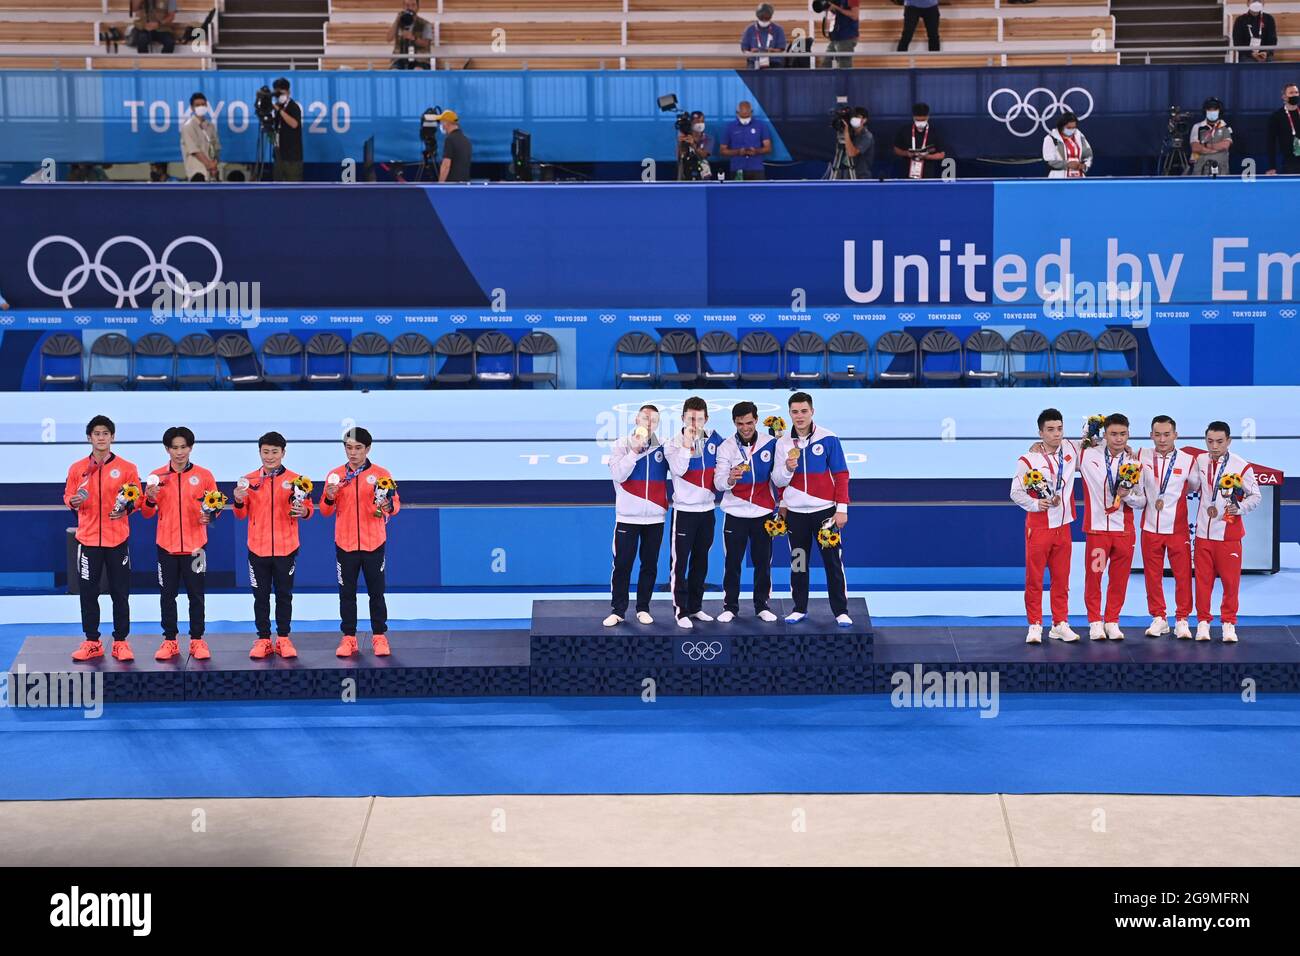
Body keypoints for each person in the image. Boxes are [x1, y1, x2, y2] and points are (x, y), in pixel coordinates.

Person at [65, 416, 142, 662]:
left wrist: (126, 508)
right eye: (96, 433)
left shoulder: (127, 468)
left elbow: (137, 499)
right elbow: (68, 495)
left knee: (120, 593)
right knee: (88, 592)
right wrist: (72, 502)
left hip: (117, 540)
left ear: (113, 437)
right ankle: (92, 641)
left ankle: (121, 642)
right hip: (87, 541)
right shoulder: (77, 468)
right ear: (89, 437)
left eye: (105, 433)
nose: (101, 437)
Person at [771, 392, 852, 626]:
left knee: (832, 563)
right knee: (799, 562)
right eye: (795, 412)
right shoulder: (783, 443)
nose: (799, 416)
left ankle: (840, 611)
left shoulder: (829, 438)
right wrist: (787, 468)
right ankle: (799, 607)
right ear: (790, 414)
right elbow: (777, 480)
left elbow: (841, 475)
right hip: (796, 515)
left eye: (804, 411)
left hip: (825, 513)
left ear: (812, 412)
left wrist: (842, 508)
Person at [138, 427, 219, 662]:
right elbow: (145, 513)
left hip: (196, 548)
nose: (179, 452)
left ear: (191, 448)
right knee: (167, 595)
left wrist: (210, 516)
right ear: (167, 449)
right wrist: (150, 498)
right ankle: (170, 641)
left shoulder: (204, 475)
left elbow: (215, 508)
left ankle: (197, 640)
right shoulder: (156, 477)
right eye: (175, 447)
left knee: (197, 594)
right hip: (166, 547)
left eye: (184, 447)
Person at [232, 432, 314, 660]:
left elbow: (308, 509)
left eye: (274, 452)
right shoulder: (247, 481)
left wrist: (305, 511)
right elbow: (240, 515)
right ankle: (264, 639)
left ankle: (284, 638)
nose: (270, 457)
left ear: (283, 453)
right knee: (260, 596)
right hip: (257, 549)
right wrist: (238, 500)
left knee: (284, 595)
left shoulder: (297, 481)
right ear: (259, 452)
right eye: (265, 452)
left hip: (286, 548)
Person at [320, 427, 400, 658]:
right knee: (347, 593)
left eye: (357, 448)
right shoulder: (335, 475)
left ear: (368, 449)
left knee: (377, 592)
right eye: (348, 448)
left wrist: (388, 507)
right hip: (345, 545)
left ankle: (379, 636)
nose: (352, 453)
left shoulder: (381, 473)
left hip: (373, 543)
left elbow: (395, 504)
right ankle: (349, 638)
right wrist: (329, 495)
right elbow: (325, 511)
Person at [1010, 408, 1081, 644]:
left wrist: (1129, 449)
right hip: (1039, 526)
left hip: (1064, 526)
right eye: (1050, 430)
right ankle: (1035, 624)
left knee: (1062, 579)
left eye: (1059, 429)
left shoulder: (1072, 449)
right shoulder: (1028, 459)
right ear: (1040, 432)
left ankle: (1060, 623)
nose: (1056, 434)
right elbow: (1015, 492)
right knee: (1035, 579)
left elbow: (1100, 449)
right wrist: (1034, 503)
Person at [1077, 413, 1145, 641]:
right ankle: (1095, 621)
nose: (1118, 439)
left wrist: (1127, 497)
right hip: (1097, 531)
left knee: (1119, 579)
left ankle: (1112, 621)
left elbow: (1142, 500)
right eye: (1113, 434)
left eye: (1123, 434)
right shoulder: (1087, 455)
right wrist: (1036, 445)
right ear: (1105, 434)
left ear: (1129, 434)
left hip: (1124, 532)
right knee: (1094, 577)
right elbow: (1062, 453)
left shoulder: (1134, 462)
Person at [1191, 421, 1261, 642]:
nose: (1214, 446)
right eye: (1210, 441)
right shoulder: (1200, 461)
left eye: (1219, 441)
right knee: (1203, 582)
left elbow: (1255, 496)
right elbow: (1191, 484)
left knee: (1231, 582)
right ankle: (1203, 622)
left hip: (1228, 534)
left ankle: (1229, 623)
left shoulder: (1241, 466)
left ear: (1229, 441)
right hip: (1203, 533)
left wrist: (1239, 508)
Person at [713, 401, 780, 624]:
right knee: (732, 563)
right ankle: (730, 606)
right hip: (735, 514)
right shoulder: (725, 447)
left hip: (763, 513)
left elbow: (779, 479)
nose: (745, 427)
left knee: (762, 563)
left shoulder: (771, 443)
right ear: (734, 423)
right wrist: (730, 479)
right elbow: (719, 483)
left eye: (749, 422)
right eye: (740, 423)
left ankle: (762, 605)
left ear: (757, 420)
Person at [604, 405, 669, 627]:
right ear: (636, 419)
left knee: (649, 565)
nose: (649, 424)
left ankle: (643, 608)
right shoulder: (620, 445)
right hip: (627, 517)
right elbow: (619, 474)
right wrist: (634, 451)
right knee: (622, 564)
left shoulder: (665, 447)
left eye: (654, 421)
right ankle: (618, 610)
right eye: (645, 419)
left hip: (654, 518)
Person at [664, 397, 721, 630]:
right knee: (680, 564)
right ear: (683, 418)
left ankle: (696, 606)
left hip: (708, 511)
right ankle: (681, 610)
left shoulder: (716, 442)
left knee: (701, 561)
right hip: (684, 512)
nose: (695, 423)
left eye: (699, 418)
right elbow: (679, 469)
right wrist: (688, 444)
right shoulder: (672, 443)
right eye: (690, 418)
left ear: (706, 419)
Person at [1138, 416, 1195, 640]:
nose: (1162, 439)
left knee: (1182, 576)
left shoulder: (1189, 460)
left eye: (1167, 434)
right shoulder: (1141, 455)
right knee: (1152, 576)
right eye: (1157, 434)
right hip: (1150, 527)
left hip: (1177, 529)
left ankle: (1182, 619)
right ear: (1151, 435)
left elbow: (1196, 485)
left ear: (1175, 435)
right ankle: (1159, 618)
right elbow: (1111, 446)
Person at [720, 101, 772, 180]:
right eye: (742, 116)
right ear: (737, 113)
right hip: (737, 168)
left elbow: (768, 148)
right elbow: (722, 150)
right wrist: (738, 152)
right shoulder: (730, 127)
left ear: (751, 112)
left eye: (747, 116)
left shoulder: (761, 126)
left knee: (758, 192)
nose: (745, 119)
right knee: (737, 192)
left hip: (756, 168)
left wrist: (756, 151)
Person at [893, 103, 946, 179]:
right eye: (918, 120)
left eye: (923, 120)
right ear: (914, 118)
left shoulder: (934, 132)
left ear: (928, 117)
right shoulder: (904, 131)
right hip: (907, 174)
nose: (920, 123)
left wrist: (927, 156)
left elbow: (941, 155)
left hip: (927, 175)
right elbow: (896, 149)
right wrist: (906, 154)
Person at [180, 92, 221, 183]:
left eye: (203, 104)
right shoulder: (188, 126)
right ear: (192, 108)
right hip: (197, 173)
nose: (201, 107)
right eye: (197, 105)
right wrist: (209, 164)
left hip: (212, 174)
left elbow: (216, 147)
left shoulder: (211, 126)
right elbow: (194, 150)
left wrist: (215, 163)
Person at [271, 77, 303, 182]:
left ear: (288, 92)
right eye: (277, 94)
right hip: (279, 154)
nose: (279, 96)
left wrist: (279, 110)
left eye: (282, 93)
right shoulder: (277, 108)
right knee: (278, 187)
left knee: (293, 186)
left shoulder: (293, 107)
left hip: (292, 157)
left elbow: (294, 124)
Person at [1042, 111, 1092, 178]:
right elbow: (1049, 161)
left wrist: (1084, 165)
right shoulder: (1050, 138)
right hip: (1058, 178)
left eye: (1073, 127)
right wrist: (1067, 164)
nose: (1071, 130)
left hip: (1079, 178)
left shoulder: (1080, 136)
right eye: (1068, 128)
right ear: (1061, 126)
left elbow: (1088, 155)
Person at [1189, 98, 1232, 176]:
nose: (1212, 112)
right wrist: (1215, 150)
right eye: (1210, 110)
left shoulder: (1225, 127)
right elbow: (1195, 147)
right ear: (1205, 111)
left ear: (1219, 111)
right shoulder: (1197, 127)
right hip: (1200, 171)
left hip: (1221, 170)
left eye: (1215, 110)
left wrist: (1205, 146)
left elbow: (1225, 145)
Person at [1265, 82, 1300, 175]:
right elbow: (1271, 143)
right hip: (1290, 163)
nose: (1295, 95)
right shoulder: (1277, 116)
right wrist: (1272, 167)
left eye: (1296, 92)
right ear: (1284, 97)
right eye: (1291, 93)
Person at [388, 0, 433, 69]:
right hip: (399, 58)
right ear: (403, 7)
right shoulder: (398, 22)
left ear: (418, 8)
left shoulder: (425, 24)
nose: (410, 8)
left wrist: (413, 38)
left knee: (417, 71)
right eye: (407, 5)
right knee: (394, 71)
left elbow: (426, 43)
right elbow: (389, 38)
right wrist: (397, 20)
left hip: (420, 59)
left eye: (413, 5)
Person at [741, 5, 786, 69]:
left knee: (776, 72)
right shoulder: (750, 29)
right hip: (755, 61)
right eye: (762, 18)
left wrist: (772, 51)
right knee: (752, 72)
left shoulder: (778, 29)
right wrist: (751, 53)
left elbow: (781, 48)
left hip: (774, 61)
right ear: (758, 16)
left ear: (771, 16)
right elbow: (744, 49)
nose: (764, 20)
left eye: (767, 18)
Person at [435, 110, 472, 183]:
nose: (441, 125)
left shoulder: (449, 139)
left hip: (451, 186)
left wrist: (439, 185)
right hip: (465, 184)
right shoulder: (467, 140)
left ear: (446, 122)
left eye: (442, 122)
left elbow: (446, 165)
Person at [821, 0, 860, 69]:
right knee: (825, 63)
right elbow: (837, 15)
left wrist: (836, 8)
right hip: (836, 37)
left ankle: (845, 80)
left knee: (844, 67)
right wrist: (829, 8)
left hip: (846, 37)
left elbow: (855, 15)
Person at [677, 111, 714, 181]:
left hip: (704, 174)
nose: (700, 124)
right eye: (697, 121)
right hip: (687, 172)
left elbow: (704, 155)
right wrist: (680, 143)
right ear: (691, 123)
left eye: (702, 121)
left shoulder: (708, 139)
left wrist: (693, 144)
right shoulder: (685, 138)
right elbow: (680, 157)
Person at [842, 107, 875, 179]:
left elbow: (851, 153)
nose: (854, 119)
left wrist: (846, 133)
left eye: (858, 117)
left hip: (861, 178)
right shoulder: (852, 134)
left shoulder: (867, 136)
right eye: (853, 116)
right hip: (847, 176)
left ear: (864, 120)